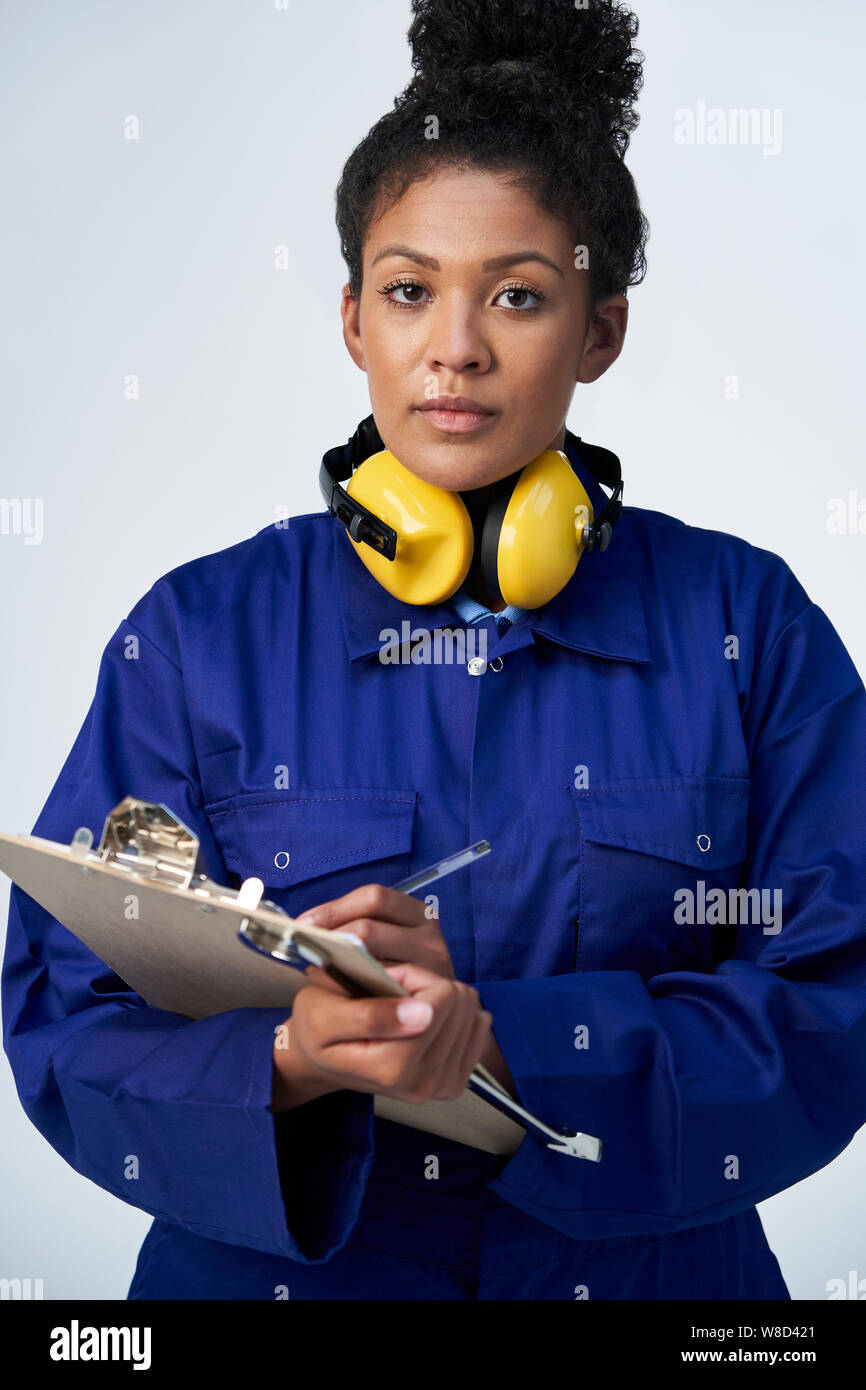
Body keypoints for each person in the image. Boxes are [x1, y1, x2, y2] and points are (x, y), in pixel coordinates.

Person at [4, 0, 866, 1301]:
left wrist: (507, 1049)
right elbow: (68, 1015)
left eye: (517, 295)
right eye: (409, 291)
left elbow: (836, 1003)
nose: (454, 347)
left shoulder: (747, 626)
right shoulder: (198, 632)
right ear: (355, 320)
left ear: (599, 329)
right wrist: (291, 1060)